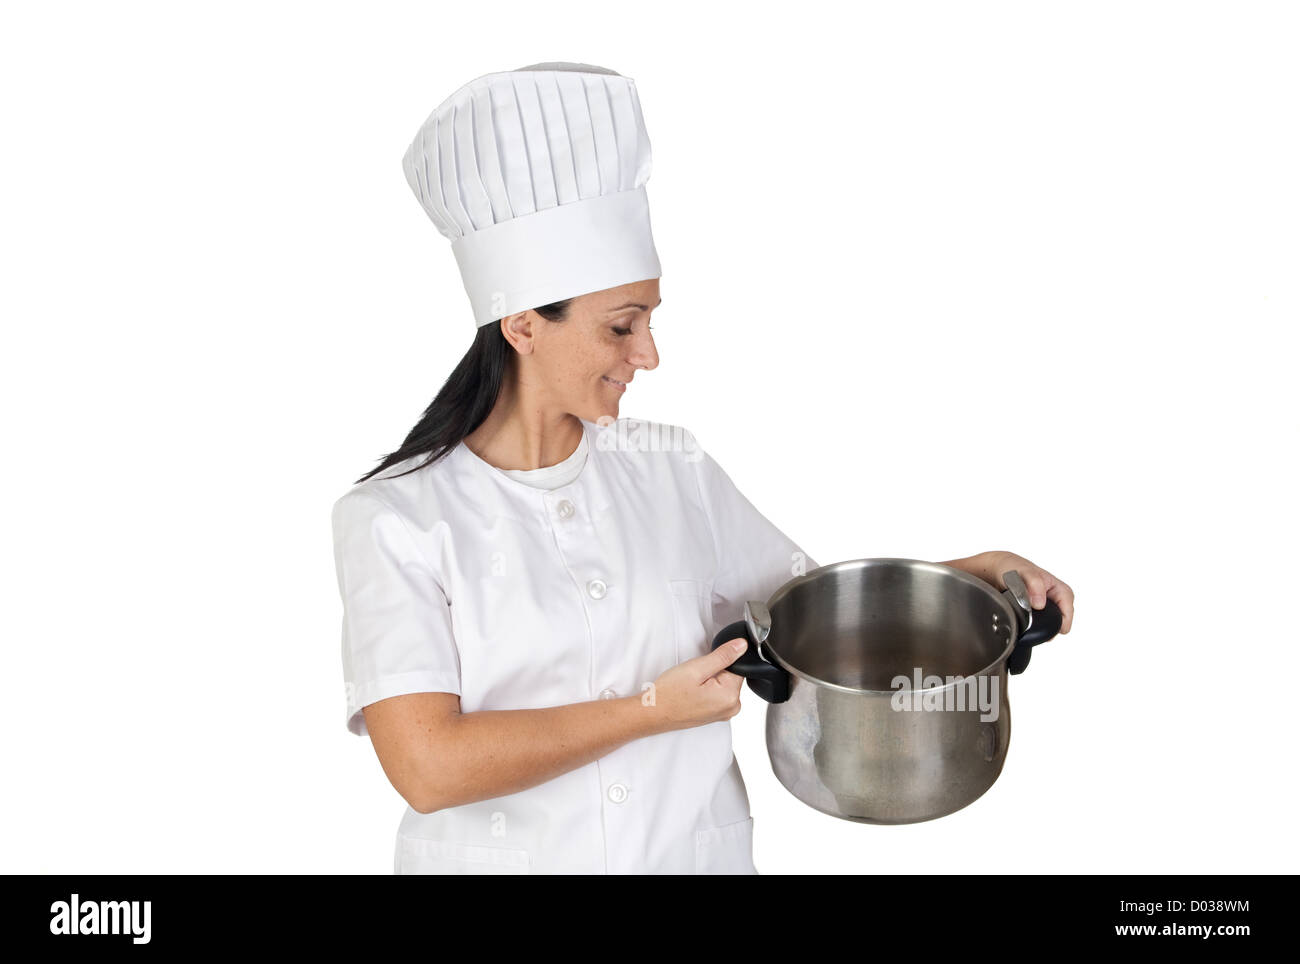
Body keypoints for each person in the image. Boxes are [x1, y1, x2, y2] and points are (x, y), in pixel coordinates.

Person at [330, 62, 1076, 875]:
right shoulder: (396, 518)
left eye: (649, 319)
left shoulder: (670, 467)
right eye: (622, 326)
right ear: (522, 326)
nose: (648, 353)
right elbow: (429, 767)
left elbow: (818, 617)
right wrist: (650, 711)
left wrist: (973, 575)